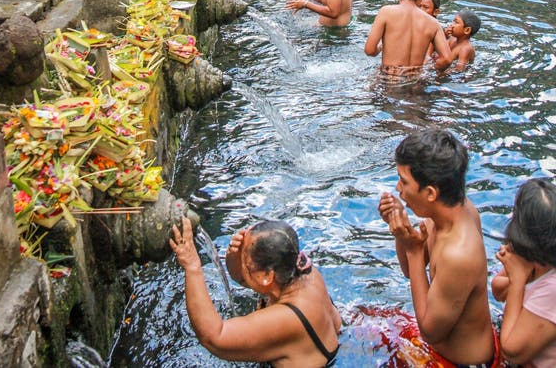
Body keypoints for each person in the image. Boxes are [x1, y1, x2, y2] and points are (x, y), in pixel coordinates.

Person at [378, 128, 498, 367]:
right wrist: (401, 232)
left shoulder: (459, 253)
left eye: (403, 181)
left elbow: (430, 332)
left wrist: (412, 251)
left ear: (431, 193)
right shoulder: (443, 214)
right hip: (439, 346)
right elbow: (409, 271)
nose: (398, 189)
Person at [170, 215, 341, 367]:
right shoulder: (300, 270)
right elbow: (248, 280)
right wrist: (235, 257)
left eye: (245, 262)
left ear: (267, 275)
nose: (242, 266)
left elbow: (214, 338)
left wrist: (192, 266)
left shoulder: (287, 319)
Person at [491, 178, 556, 368]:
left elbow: (511, 351)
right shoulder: (528, 254)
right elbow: (497, 289)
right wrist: (515, 274)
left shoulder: (552, 288)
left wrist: (518, 280)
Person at [364, 0, 452, 73]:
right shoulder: (433, 22)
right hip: (416, 80)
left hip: (390, 78)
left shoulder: (386, 12)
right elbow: (447, 59)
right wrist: (428, 70)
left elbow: (370, 50)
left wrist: (381, 46)